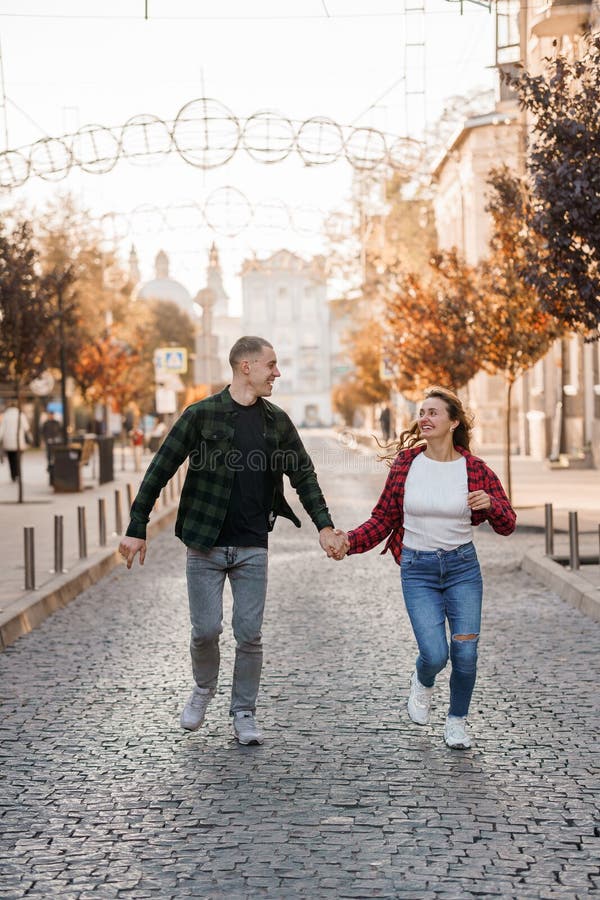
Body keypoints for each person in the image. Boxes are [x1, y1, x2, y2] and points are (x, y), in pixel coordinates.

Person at [118, 336, 339, 745]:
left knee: (249, 632)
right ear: (246, 367)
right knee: (205, 630)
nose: (277, 373)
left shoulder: (278, 421)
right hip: (205, 542)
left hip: (254, 543)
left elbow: (304, 475)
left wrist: (324, 525)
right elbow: (160, 468)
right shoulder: (201, 415)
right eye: (271, 365)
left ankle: (244, 712)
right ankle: (203, 689)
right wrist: (137, 526)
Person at [329, 386, 516, 750]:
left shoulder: (475, 469)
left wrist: (492, 504)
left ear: (453, 422)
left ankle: (457, 720)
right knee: (435, 654)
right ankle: (422, 678)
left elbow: (508, 524)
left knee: (465, 652)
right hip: (418, 568)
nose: (424, 418)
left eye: (433, 412)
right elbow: (383, 519)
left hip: (463, 567)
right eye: (421, 412)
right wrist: (349, 541)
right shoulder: (406, 464)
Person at [0, 403, 31, 482]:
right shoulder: (20, 415)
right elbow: (26, 427)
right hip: (18, 442)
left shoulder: (6, 415)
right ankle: (18, 474)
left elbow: (2, 429)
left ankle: (13, 475)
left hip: (8, 442)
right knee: (18, 459)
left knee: (11, 459)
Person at [41, 411, 63, 486]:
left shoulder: (57, 423)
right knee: (49, 458)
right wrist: (45, 440)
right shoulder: (46, 423)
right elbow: (43, 432)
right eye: (50, 415)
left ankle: (53, 472)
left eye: (52, 415)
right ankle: (50, 470)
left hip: (56, 443)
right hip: (49, 443)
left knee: (55, 458)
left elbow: (60, 431)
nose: (51, 416)